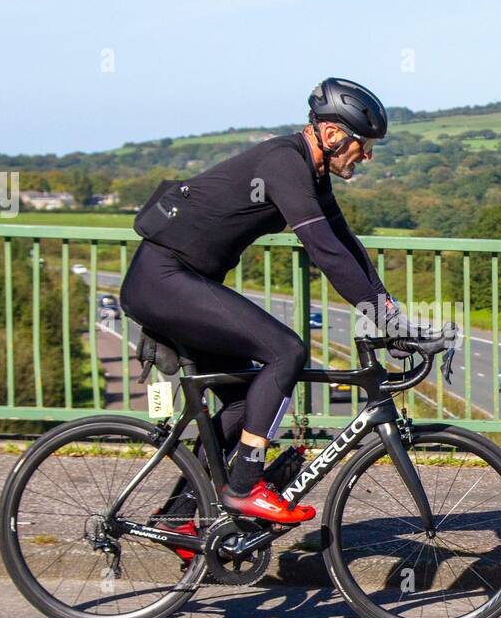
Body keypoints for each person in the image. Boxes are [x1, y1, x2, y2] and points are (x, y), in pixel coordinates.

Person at [121, 77, 409, 524]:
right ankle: (244, 486)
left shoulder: (310, 171)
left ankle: (179, 516)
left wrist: (389, 311)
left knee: (242, 402)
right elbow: (324, 251)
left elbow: (344, 243)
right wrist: (379, 315)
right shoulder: (284, 163)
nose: (367, 155)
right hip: (164, 279)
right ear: (332, 135)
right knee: (287, 351)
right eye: (363, 143)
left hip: (183, 280)